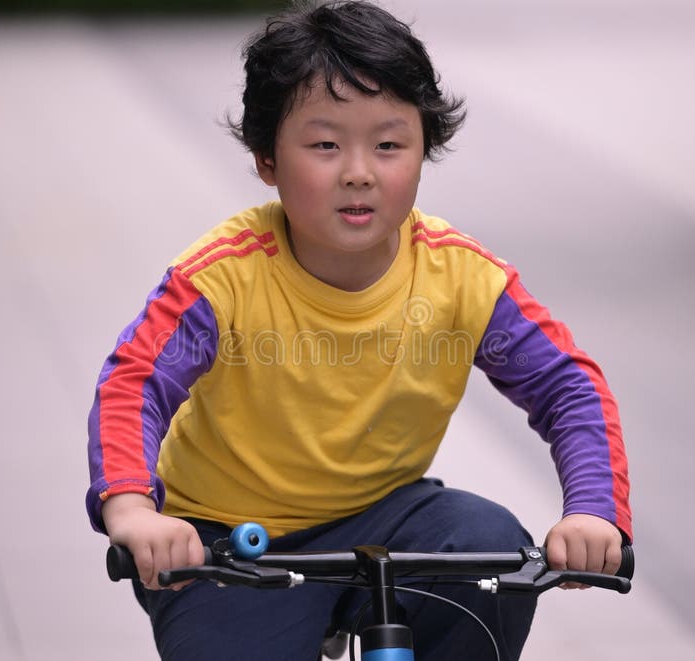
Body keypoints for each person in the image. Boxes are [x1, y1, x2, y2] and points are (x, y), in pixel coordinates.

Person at [86, 1, 632, 659]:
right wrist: (134, 512)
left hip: (386, 516)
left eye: (389, 144)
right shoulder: (221, 278)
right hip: (227, 538)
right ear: (266, 158)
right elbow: (134, 384)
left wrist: (593, 511)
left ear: (423, 149)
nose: (359, 171)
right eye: (324, 144)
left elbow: (567, 385)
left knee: (488, 548)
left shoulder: (462, 276)